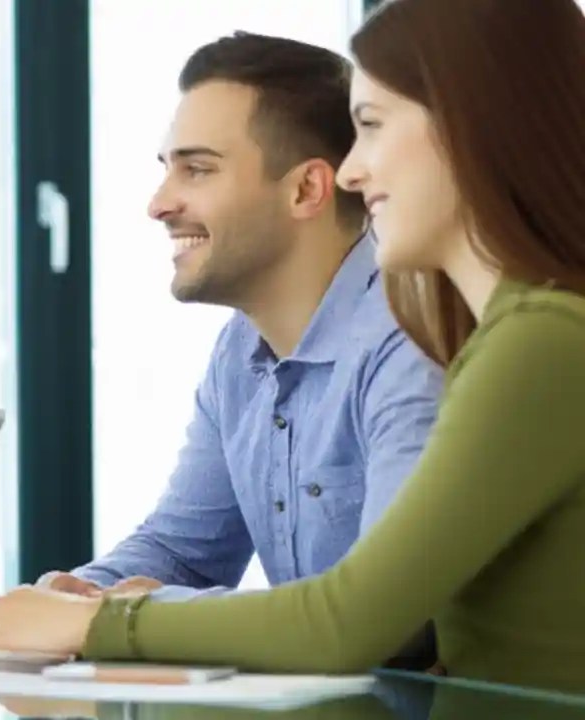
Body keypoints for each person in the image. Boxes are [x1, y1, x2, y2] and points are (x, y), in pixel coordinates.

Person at [0, 0, 585, 693]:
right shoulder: (499, 335)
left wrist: (101, 620)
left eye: (370, 127)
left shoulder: (531, 342)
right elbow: (191, 549)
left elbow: (358, 621)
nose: (352, 170)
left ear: (465, 129)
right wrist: (72, 601)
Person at [35, 32, 441, 654]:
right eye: (167, 169)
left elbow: (389, 625)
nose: (159, 204)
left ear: (306, 189)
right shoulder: (239, 352)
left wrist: (132, 615)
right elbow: (184, 552)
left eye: (197, 169)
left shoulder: (409, 338)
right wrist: (69, 599)